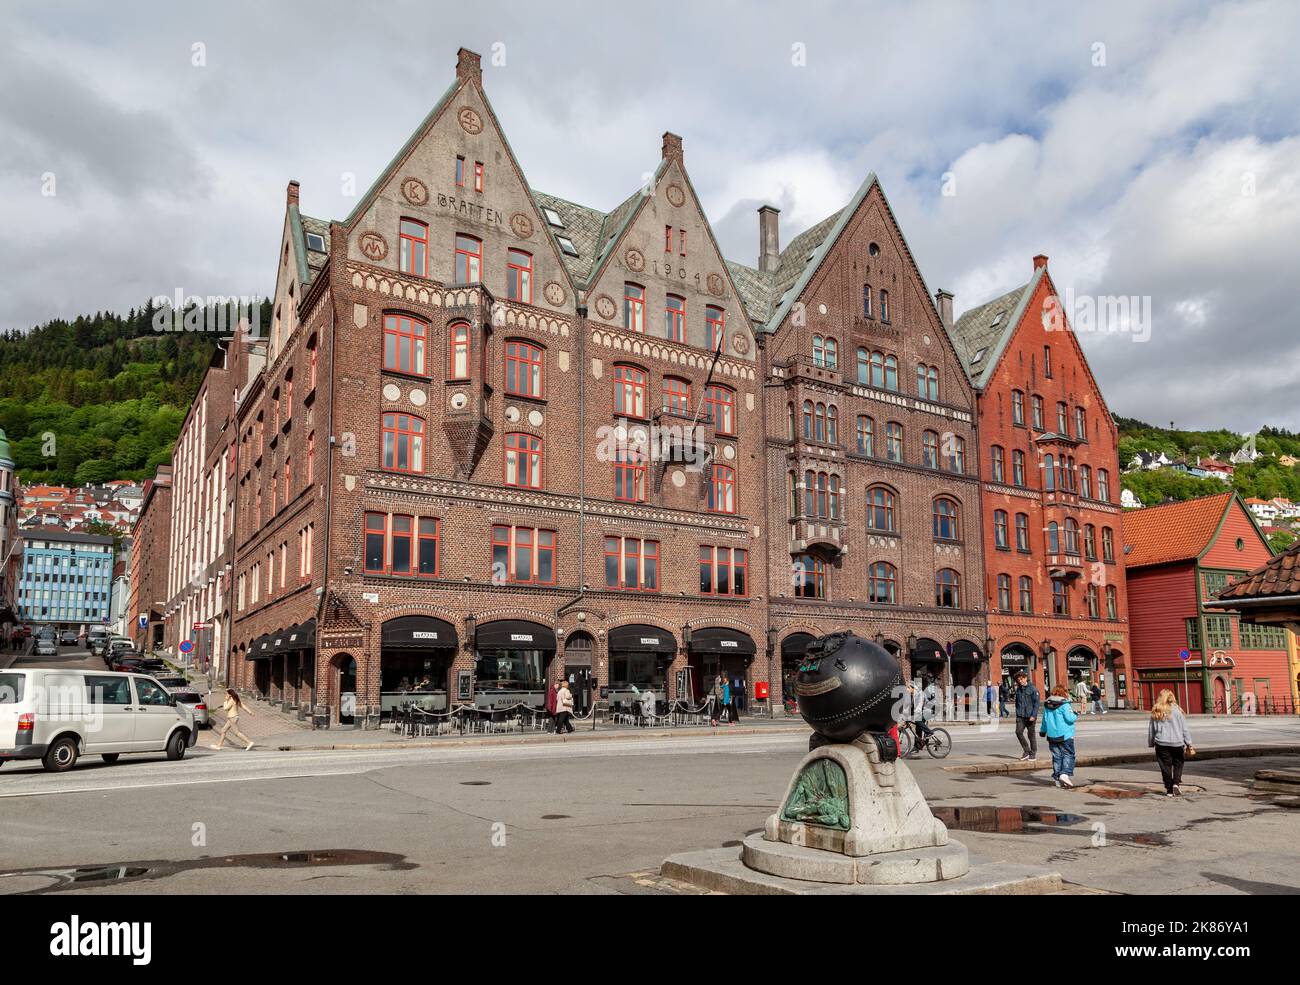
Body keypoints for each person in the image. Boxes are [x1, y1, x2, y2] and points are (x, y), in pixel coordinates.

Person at [1149, 689, 1195, 796]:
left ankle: (1169, 790)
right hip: (1177, 743)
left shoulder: (1156, 710)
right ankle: (1176, 784)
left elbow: (1151, 729)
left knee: (1165, 766)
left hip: (1161, 744)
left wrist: (1151, 742)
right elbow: (1184, 729)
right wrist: (1189, 744)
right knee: (1178, 764)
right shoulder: (1178, 711)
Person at [1040, 685, 1078, 787]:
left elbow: (1044, 720)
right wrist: (1075, 714)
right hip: (1065, 734)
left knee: (1056, 757)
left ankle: (1057, 779)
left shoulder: (1047, 705)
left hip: (1052, 735)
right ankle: (1065, 774)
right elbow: (1070, 719)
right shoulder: (1064, 704)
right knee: (1069, 755)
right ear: (1064, 693)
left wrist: (1042, 731)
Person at [1013, 671, 1040, 761]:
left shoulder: (1033, 689)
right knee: (1018, 732)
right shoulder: (1019, 689)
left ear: (1025, 678)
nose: (1020, 681)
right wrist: (1017, 713)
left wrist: (1033, 715)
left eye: (1021, 679)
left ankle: (1033, 753)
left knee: (1031, 735)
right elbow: (1017, 703)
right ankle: (1026, 751)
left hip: (1030, 716)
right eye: (1018, 680)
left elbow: (1036, 704)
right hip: (1020, 716)